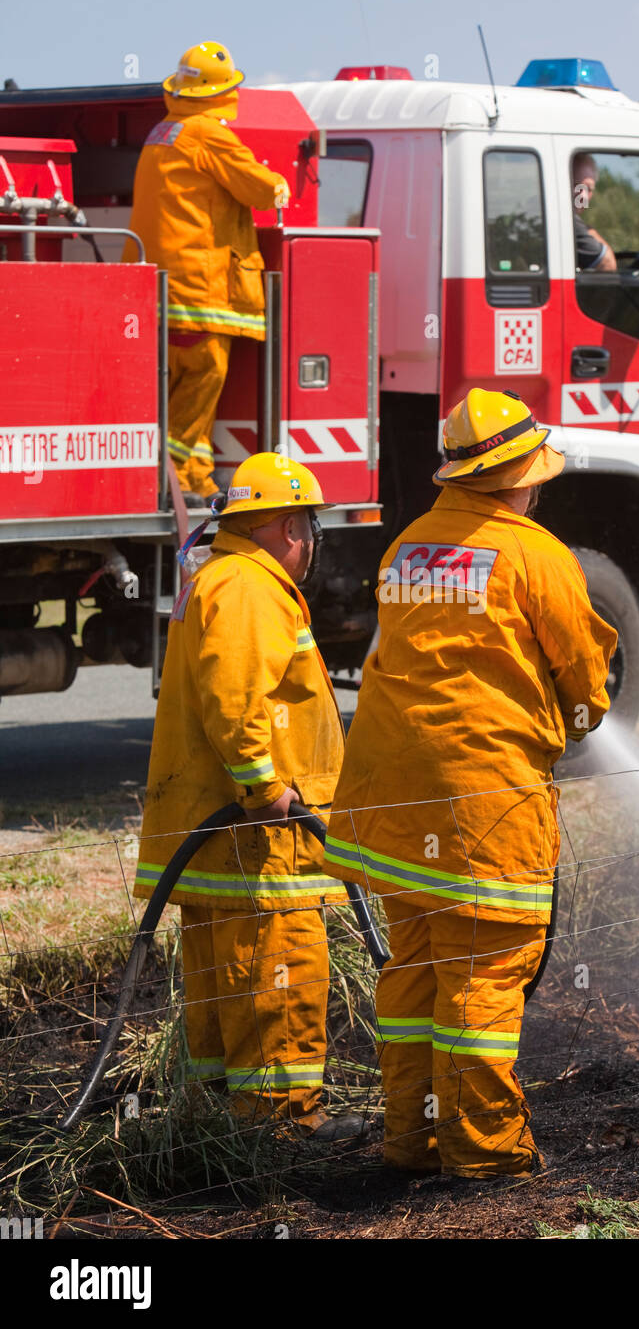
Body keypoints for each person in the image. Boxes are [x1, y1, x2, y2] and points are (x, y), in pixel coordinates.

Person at [323, 389, 617, 1178]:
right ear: (521, 474)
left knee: (416, 967)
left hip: (393, 801)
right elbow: (586, 675)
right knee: (485, 972)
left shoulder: (408, 546)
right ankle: (484, 1154)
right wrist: (581, 717)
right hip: (479, 803)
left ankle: (408, 1142)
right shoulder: (534, 554)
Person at [134, 452, 367, 1142]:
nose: (310, 543)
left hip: (218, 841)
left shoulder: (222, 575)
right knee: (279, 973)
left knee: (223, 981)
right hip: (260, 839)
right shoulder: (247, 587)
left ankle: (217, 1123)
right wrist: (264, 788)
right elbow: (235, 699)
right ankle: (280, 1126)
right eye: (309, 528)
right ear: (292, 525)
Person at [123, 43, 290, 506]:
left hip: (161, 286)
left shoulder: (165, 130)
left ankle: (195, 480)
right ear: (225, 91)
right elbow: (259, 188)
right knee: (206, 372)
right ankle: (177, 475)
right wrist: (280, 182)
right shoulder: (206, 133)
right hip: (198, 285)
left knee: (181, 382)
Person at [572, 153, 616, 272]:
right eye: (576, 185)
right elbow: (607, 265)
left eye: (589, 189)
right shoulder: (566, 222)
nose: (583, 195)